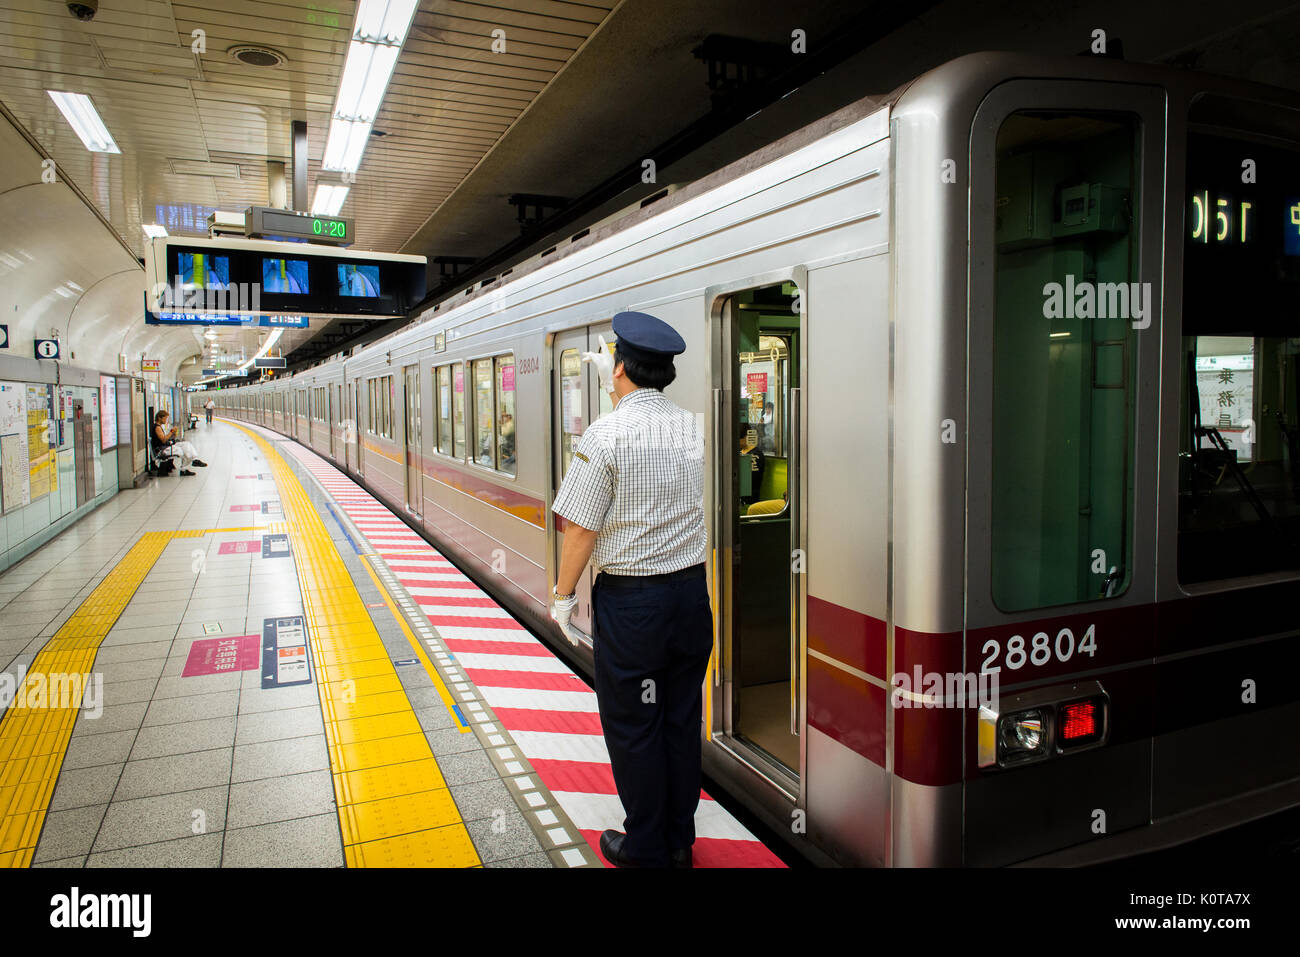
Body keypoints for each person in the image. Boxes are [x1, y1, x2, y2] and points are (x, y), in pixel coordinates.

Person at [550, 311, 711, 869]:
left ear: (618, 368)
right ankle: (679, 842)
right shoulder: (692, 427)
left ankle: (644, 846)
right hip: (691, 600)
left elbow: (579, 527)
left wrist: (563, 597)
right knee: (679, 720)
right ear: (665, 372)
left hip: (636, 607)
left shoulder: (606, 432)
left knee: (634, 724)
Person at [153, 410, 208, 476]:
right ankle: (184, 469)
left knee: (186, 444)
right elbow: (164, 440)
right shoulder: (157, 428)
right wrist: (171, 431)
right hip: (163, 450)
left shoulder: (159, 427)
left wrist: (173, 434)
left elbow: (166, 438)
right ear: (159, 418)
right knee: (184, 451)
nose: (166, 420)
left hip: (166, 447)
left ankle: (195, 460)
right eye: (165, 418)